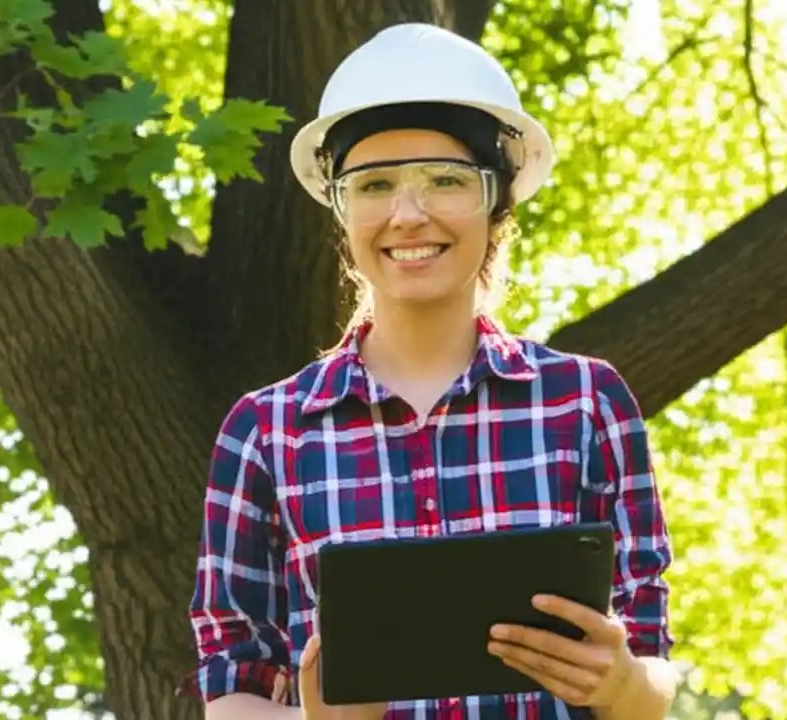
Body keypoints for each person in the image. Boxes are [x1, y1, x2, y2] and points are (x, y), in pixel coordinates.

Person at [180, 22, 676, 720]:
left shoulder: (588, 401)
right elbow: (231, 683)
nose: (408, 215)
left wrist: (620, 682)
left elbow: (651, 668)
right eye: (374, 184)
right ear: (341, 209)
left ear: (497, 200)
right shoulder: (265, 432)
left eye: (445, 180)